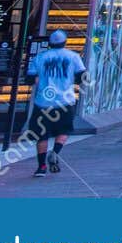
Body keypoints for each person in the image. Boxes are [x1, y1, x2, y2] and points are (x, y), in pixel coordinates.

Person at [25, 30, 86, 177]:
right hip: (65, 100)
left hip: (43, 102)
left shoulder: (40, 57)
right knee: (64, 131)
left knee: (41, 135)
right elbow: (83, 77)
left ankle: (41, 167)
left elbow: (29, 78)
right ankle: (55, 152)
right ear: (65, 42)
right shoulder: (73, 56)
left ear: (50, 43)